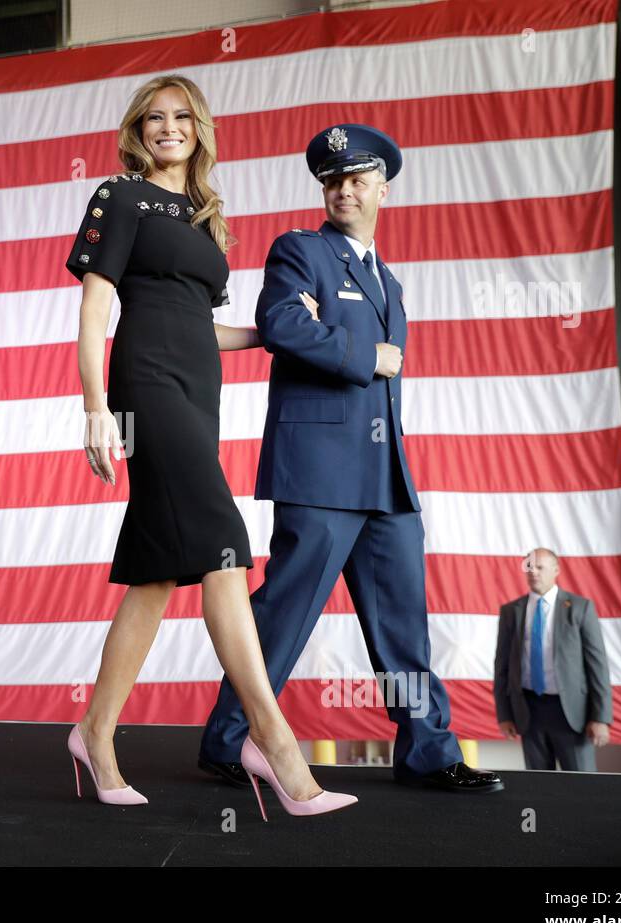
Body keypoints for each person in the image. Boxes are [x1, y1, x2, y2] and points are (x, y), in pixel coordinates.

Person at [63, 75, 356, 819]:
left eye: (182, 116)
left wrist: (282, 330)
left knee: (160, 575)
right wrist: (96, 408)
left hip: (198, 392)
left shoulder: (205, 219)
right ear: (139, 130)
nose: (168, 127)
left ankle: (94, 730)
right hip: (144, 385)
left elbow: (202, 326)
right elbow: (97, 305)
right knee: (224, 543)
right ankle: (273, 742)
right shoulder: (119, 196)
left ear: (199, 128)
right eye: (154, 117)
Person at [198, 123, 503, 793]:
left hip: (386, 477)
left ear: (381, 190)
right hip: (318, 470)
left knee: (403, 626)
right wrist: (366, 356)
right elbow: (282, 325)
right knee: (286, 610)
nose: (343, 189)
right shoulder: (300, 251)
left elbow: (315, 336)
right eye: (333, 180)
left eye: (357, 179)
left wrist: (328, 332)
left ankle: (429, 749)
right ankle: (227, 741)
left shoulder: (388, 283)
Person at [493, 548, 613, 770]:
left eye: (540, 567)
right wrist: (504, 714)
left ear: (556, 570)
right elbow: (501, 667)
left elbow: (597, 666)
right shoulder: (511, 611)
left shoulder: (580, 607)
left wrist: (601, 717)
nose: (533, 572)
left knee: (581, 787)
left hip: (571, 713)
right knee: (539, 788)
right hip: (529, 711)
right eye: (529, 567)